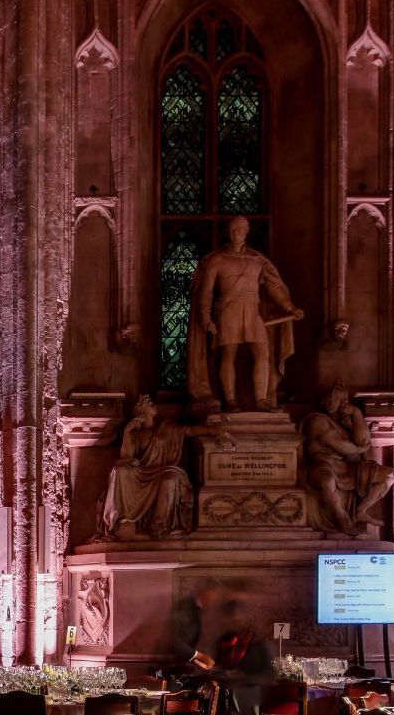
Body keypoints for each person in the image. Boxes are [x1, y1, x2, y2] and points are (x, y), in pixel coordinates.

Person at [186, 215, 303, 411]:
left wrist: (290, 307)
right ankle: (230, 400)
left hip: (251, 310)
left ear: (246, 232)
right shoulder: (217, 260)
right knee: (229, 354)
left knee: (262, 352)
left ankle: (261, 400)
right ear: (228, 232)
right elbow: (205, 293)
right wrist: (206, 318)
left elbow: (273, 288)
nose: (236, 233)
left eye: (240, 230)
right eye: (232, 230)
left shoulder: (257, 261)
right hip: (227, 310)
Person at [99, 398, 232, 538]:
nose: (154, 405)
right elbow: (126, 456)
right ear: (141, 411)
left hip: (162, 471)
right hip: (141, 473)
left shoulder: (167, 428)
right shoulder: (136, 434)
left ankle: (160, 525)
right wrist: (127, 431)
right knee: (120, 470)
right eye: (149, 404)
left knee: (170, 478)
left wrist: (211, 430)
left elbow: (189, 431)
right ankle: (123, 519)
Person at [302, 384, 394, 536]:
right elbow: (343, 447)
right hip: (323, 466)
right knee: (327, 479)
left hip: (346, 467)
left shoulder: (346, 426)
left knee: (389, 475)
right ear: (327, 402)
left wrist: (357, 414)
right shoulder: (317, 420)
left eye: (345, 400)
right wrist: (361, 448)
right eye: (338, 399)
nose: (343, 404)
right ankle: (342, 518)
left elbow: (365, 446)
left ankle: (361, 510)